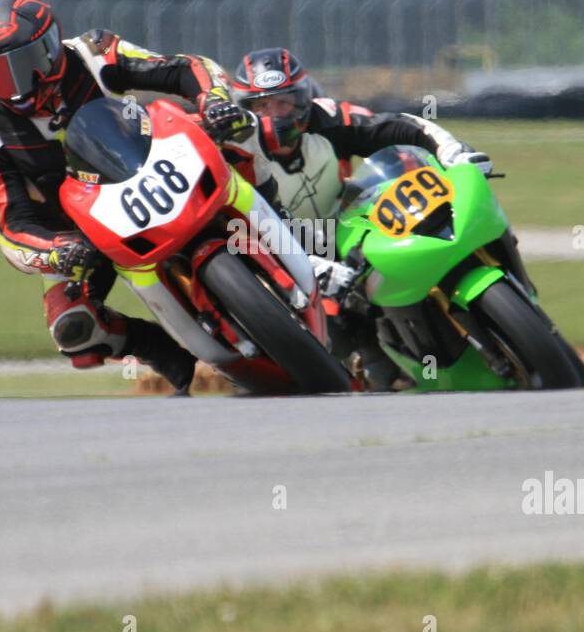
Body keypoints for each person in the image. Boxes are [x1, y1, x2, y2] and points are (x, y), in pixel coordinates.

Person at [0, 0, 264, 393]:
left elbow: (184, 69)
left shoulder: (95, 52)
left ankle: (288, 227)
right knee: (72, 328)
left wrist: (215, 101)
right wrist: (55, 248)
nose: (16, 85)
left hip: (152, 165)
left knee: (245, 133)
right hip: (84, 228)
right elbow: (11, 225)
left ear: (50, 48)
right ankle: (167, 355)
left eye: (23, 65)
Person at [230, 47, 537, 389]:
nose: (275, 115)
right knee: (336, 326)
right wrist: (309, 265)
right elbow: (238, 233)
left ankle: (504, 284)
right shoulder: (237, 156)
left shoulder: (327, 118)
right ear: (246, 109)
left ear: (302, 101)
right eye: (262, 106)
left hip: (348, 223)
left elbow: (399, 128)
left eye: (283, 102)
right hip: (290, 254)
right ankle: (385, 376)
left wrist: (453, 152)